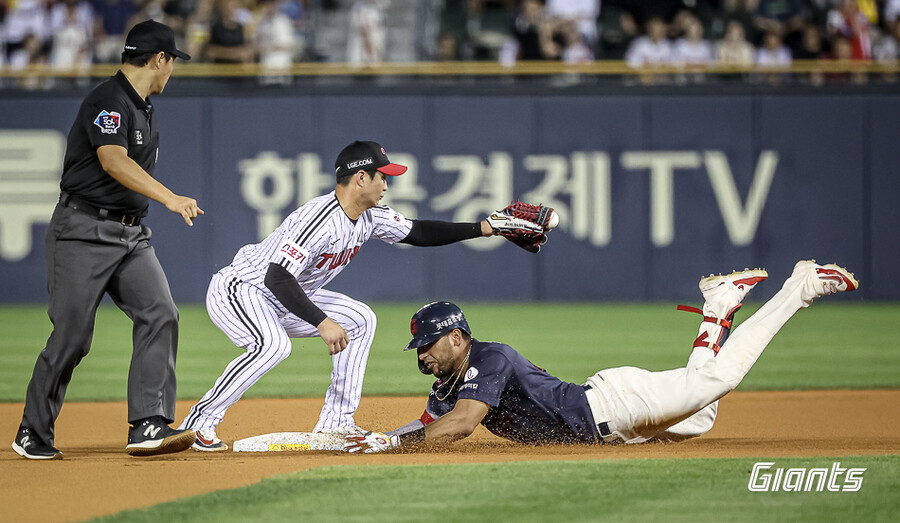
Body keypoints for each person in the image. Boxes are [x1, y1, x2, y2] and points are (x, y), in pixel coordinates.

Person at [180, 140, 506, 452]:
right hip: (242, 288)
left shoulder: (369, 216)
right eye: (383, 177)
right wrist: (322, 322)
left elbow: (418, 232)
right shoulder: (319, 220)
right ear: (361, 178)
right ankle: (197, 424)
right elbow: (276, 276)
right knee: (273, 345)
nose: (387, 185)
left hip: (285, 294)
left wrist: (484, 228)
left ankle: (336, 423)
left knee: (360, 319)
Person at [344, 260, 858, 452]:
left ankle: (800, 286)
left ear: (456, 337)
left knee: (718, 380)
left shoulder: (489, 357)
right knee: (702, 415)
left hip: (610, 406)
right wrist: (381, 437)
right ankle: (719, 305)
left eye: (428, 345)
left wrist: (386, 449)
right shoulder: (445, 387)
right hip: (613, 424)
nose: (424, 356)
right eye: (419, 349)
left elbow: (458, 426)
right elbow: (425, 424)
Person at [11, 20, 202, 460]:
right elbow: (113, 160)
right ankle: (31, 430)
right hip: (82, 231)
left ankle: (148, 423)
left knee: (160, 313)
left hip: (131, 233)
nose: (171, 71)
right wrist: (170, 198)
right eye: (171, 62)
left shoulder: (142, 106)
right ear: (159, 59)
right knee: (73, 337)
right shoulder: (109, 100)